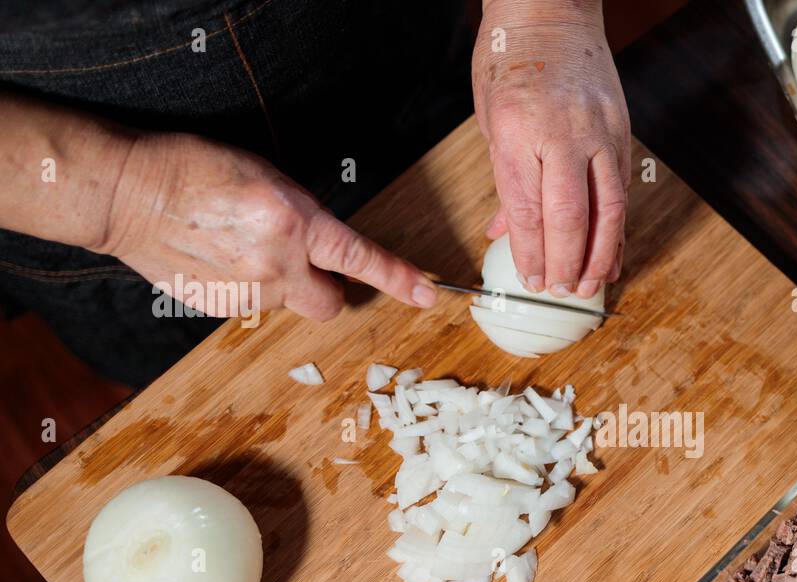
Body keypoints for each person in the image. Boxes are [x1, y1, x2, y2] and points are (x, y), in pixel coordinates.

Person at [0, 0, 630, 385]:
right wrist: (123, 201)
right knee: (215, 389)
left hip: (387, 49)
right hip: (83, 185)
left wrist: (544, 15)